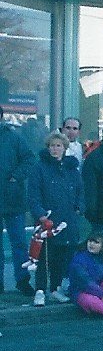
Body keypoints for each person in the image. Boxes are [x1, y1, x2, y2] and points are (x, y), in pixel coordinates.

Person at [28, 132, 83, 305]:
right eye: (52, 145)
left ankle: (55, 288)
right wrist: (40, 213)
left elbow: (80, 191)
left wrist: (79, 207)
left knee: (60, 256)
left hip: (66, 219)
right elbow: (33, 194)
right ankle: (40, 290)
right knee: (44, 256)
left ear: (64, 148)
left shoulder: (71, 168)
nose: (55, 149)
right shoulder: (39, 168)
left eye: (58, 145)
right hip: (48, 219)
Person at [0, 106, 36, 297]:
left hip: (13, 198)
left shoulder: (13, 137)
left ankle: (22, 281)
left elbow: (29, 160)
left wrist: (16, 176)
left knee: (19, 243)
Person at [68, 232, 103, 317]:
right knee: (92, 301)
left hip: (102, 289)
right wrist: (102, 296)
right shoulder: (79, 259)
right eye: (90, 241)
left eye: (96, 242)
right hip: (82, 292)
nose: (91, 244)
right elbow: (85, 282)